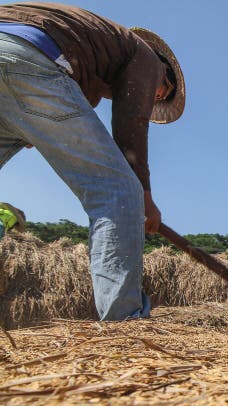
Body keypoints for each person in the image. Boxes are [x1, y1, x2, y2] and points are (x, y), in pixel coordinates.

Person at [0, 3, 185, 320]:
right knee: (117, 190)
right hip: (27, 56)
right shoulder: (145, 56)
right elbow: (131, 130)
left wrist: (31, 128)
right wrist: (145, 199)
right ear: (163, 71)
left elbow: (51, 122)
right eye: (160, 93)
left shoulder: (90, 71)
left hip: (13, 50)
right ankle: (124, 322)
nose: (154, 99)